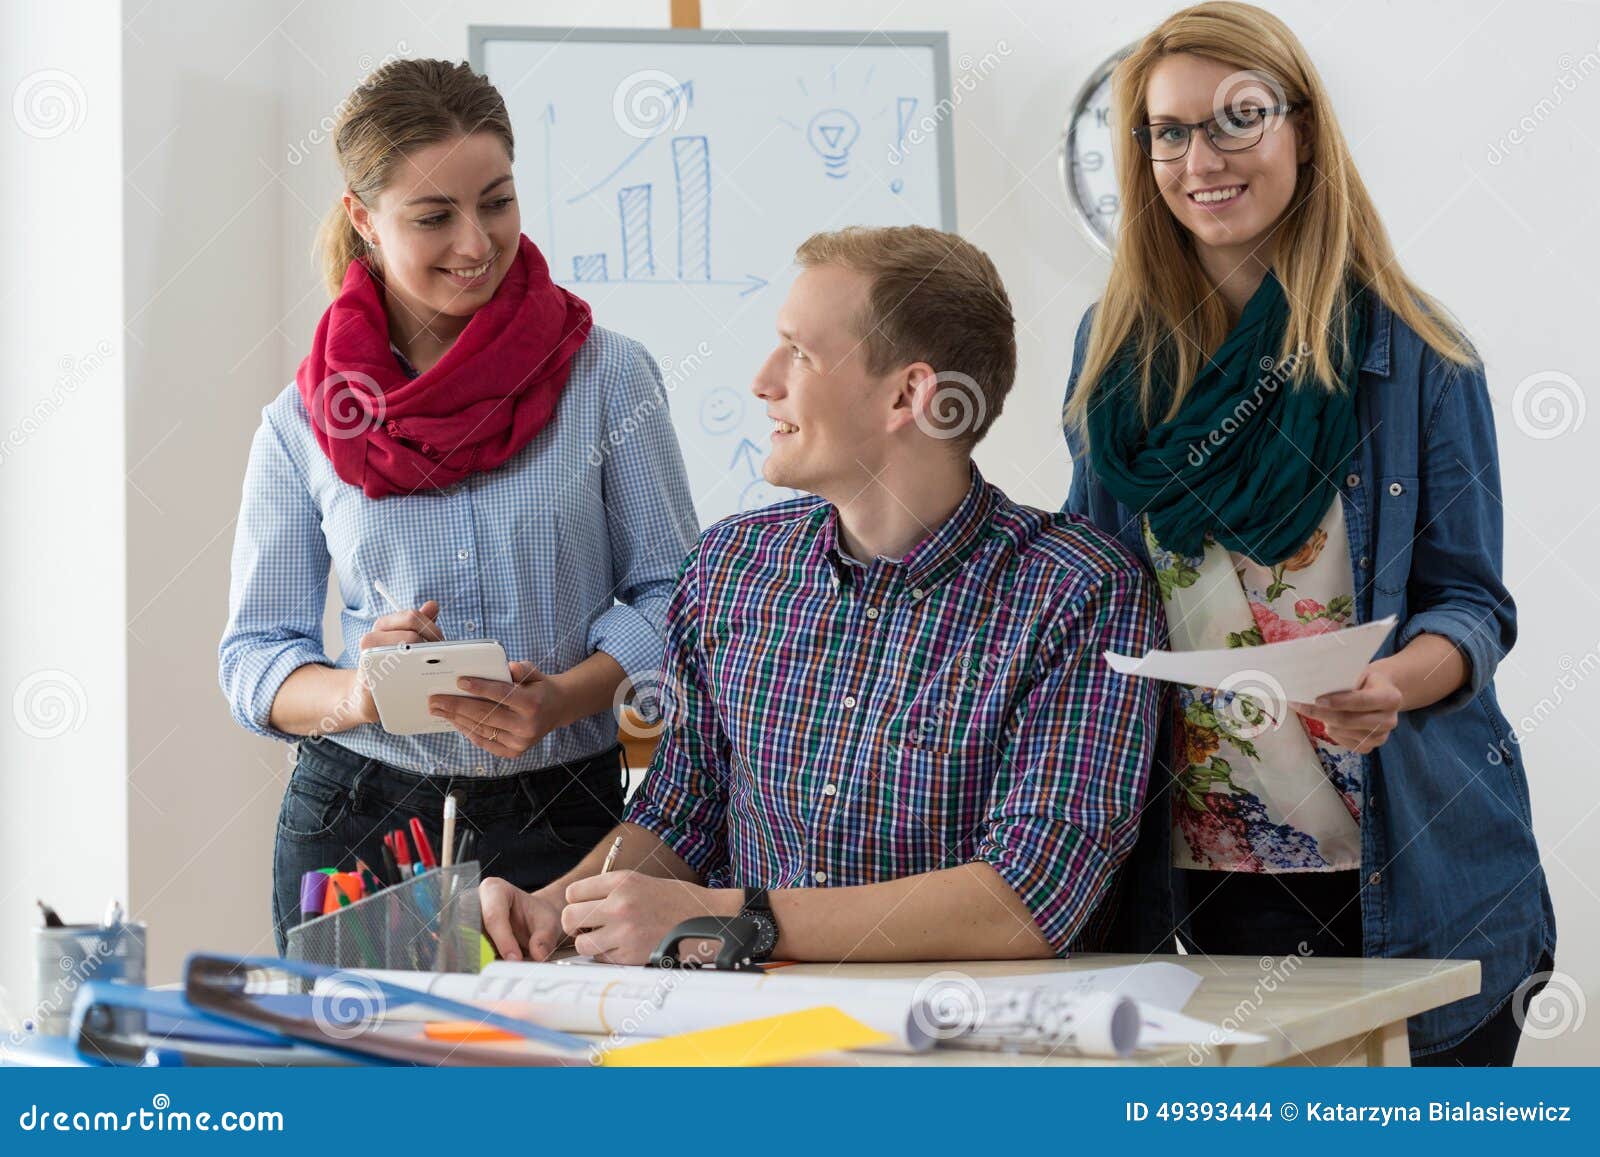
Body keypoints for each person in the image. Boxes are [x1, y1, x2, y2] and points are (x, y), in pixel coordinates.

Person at [1062, 2, 1554, 1064]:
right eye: (1170, 131)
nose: (1202, 158)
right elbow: (1085, 586)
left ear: (1303, 132)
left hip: (1412, 869)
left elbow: (1472, 604)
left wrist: (1393, 684)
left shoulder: (1418, 351)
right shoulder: (1112, 360)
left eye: (1236, 120)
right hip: (1191, 877)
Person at [479, 225, 1164, 966]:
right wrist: (560, 902)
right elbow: (679, 817)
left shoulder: (1081, 592)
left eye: (799, 353)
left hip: (960, 1052)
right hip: (752, 1041)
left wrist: (732, 916)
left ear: (909, 393)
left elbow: (1029, 899)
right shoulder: (730, 566)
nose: (763, 380)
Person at [218, 60, 698, 952]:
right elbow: (253, 660)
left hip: (571, 815)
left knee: (562, 1083)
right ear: (364, 218)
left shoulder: (609, 377)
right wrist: (361, 691)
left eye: (499, 202)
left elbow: (680, 593)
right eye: (435, 216)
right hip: (360, 819)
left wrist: (564, 697)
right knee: (371, 1089)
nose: (476, 243)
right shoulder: (303, 421)